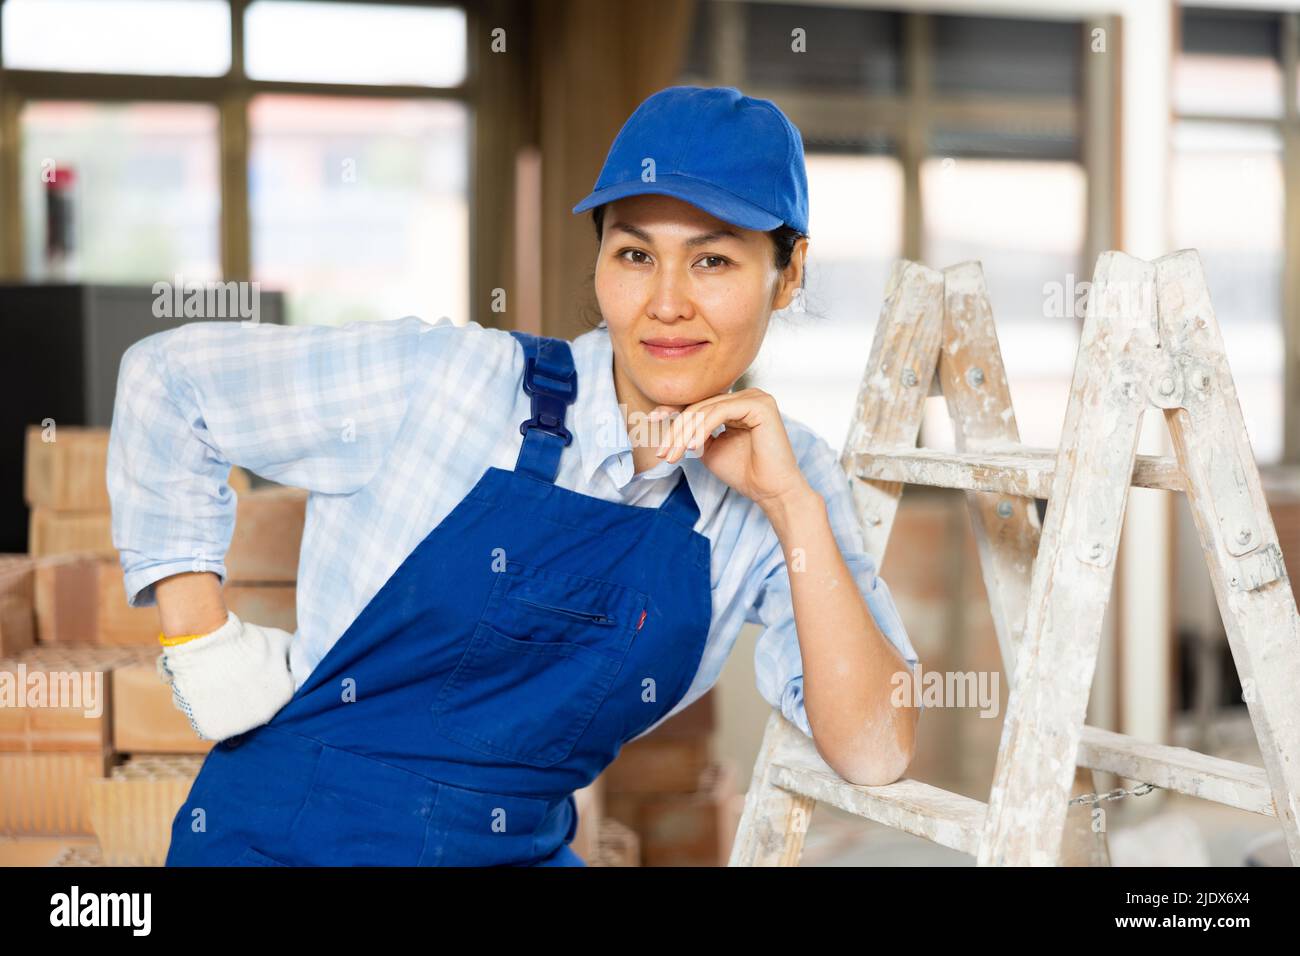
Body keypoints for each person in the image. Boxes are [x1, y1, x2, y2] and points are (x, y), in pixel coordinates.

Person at [106, 85, 921, 868]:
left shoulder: (787, 473)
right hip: (292, 843)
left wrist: (792, 507)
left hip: (513, 850)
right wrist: (199, 640)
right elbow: (168, 380)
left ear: (791, 272)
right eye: (636, 253)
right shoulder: (454, 381)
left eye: (712, 261)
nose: (666, 303)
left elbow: (873, 751)